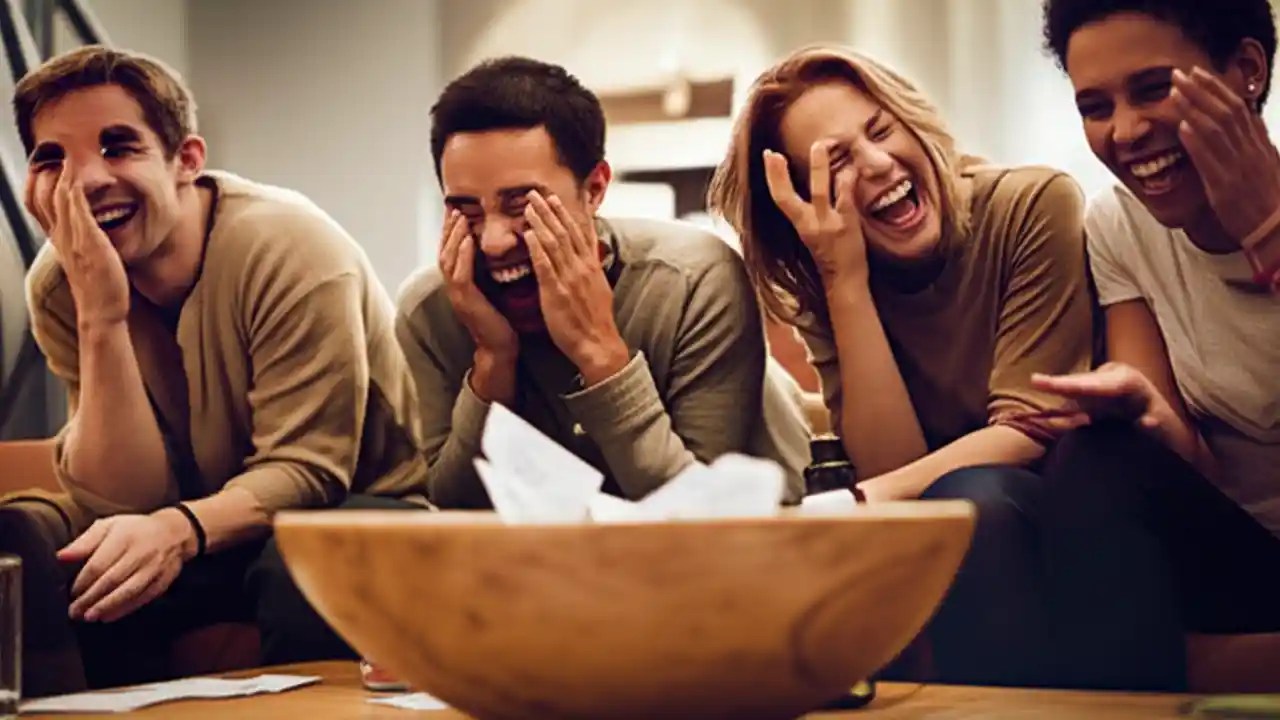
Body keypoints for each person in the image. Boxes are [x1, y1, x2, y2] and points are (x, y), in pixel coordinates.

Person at [0, 45, 427, 695]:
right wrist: (102, 319)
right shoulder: (62, 285)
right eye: (52, 158)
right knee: (64, 553)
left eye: (119, 148)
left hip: (358, 508)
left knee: (298, 560)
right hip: (197, 522)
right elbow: (124, 499)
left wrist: (177, 530)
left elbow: (312, 471)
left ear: (187, 161)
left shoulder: (290, 248)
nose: (83, 182)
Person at [706, 45, 1098, 686]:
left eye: (882, 130)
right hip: (939, 528)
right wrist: (847, 283)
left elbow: (1034, 428)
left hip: (1065, 509)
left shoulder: (1031, 203)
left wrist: (862, 500)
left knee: (974, 500)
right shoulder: (827, 277)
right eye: (836, 163)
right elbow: (896, 471)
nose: (878, 163)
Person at [396, 56, 811, 509]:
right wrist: (493, 363)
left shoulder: (694, 281)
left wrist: (599, 353)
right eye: (466, 211)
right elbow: (448, 515)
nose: (493, 241)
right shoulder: (430, 310)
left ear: (594, 189)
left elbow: (700, 515)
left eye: (521, 205)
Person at [1018, 0, 1280, 690]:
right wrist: (1149, 415)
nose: (1126, 132)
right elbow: (1191, 463)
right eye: (1095, 105)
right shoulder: (1120, 226)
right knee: (1096, 455)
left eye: (1154, 88)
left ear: (1247, 70)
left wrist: (1268, 226)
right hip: (1247, 563)